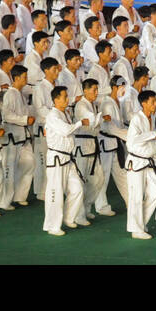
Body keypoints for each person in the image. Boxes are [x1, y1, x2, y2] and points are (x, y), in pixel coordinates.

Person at [43, 85, 86, 236]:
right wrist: (80, 123)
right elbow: (66, 130)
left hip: (68, 158)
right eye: (65, 97)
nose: (68, 99)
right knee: (55, 192)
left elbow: (70, 130)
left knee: (77, 189)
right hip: (56, 158)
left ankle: (68, 218)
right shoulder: (52, 115)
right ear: (56, 100)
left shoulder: (65, 113)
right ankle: (53, 226)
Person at [124, 89, 156, 239]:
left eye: (155, 101)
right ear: (144, 103)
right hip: (137, 161)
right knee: (136, 196)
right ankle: (136, 229)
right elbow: (132, 140)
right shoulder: (137, 119)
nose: (155, 104)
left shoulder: (152, 118)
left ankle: (140, 223)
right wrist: (153, 135)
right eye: (152, 102)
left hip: (149, 161)